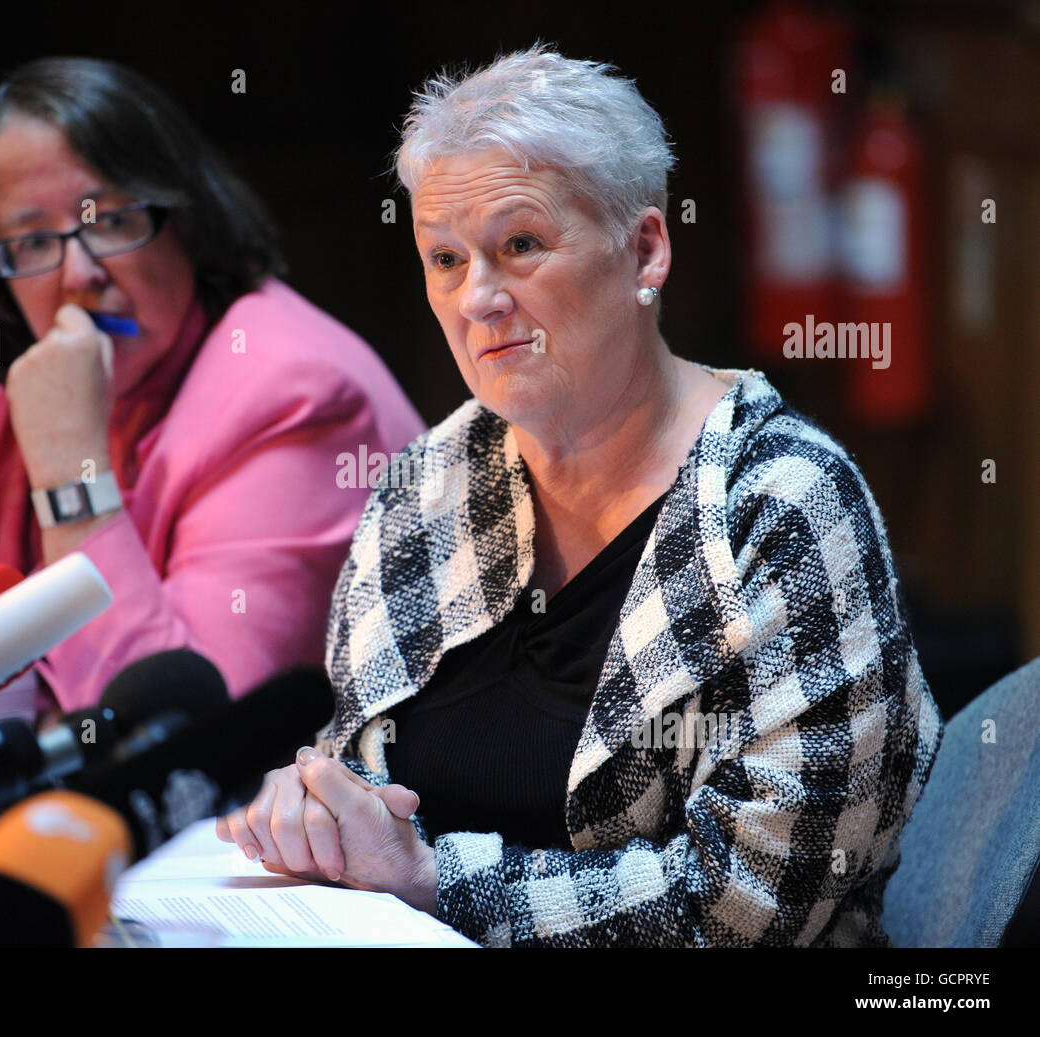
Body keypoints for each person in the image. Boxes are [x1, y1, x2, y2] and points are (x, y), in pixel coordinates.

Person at [217, 45, 943, 948]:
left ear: (645, 248)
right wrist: (321, 809)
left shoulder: (783, 502)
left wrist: (437, 880)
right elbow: (359, 769)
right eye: (445, 258)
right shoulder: (421, 485)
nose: (478, 299)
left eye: (521, 246)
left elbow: (755, 906)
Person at [0, 57, 424, 709]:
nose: (77, 273)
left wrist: (69, 474)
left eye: (109, 221)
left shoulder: (293, 392)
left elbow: (181, 734)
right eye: (32, 242)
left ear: (185, 217)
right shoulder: (12, 376)